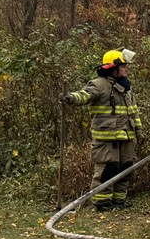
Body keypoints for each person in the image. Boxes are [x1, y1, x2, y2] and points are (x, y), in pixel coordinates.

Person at [60, 48, 143, 211]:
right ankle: (102, 204)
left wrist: (139, 132)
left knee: (125, 169)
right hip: (107, 138)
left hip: (126, 137)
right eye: (123, 66)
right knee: (107, 170)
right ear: (113, 68)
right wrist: (71, 98)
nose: (126, 69)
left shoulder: (126, 88)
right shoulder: (99, 85)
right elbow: (84, 95)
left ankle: (119, 202)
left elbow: (133, 111)